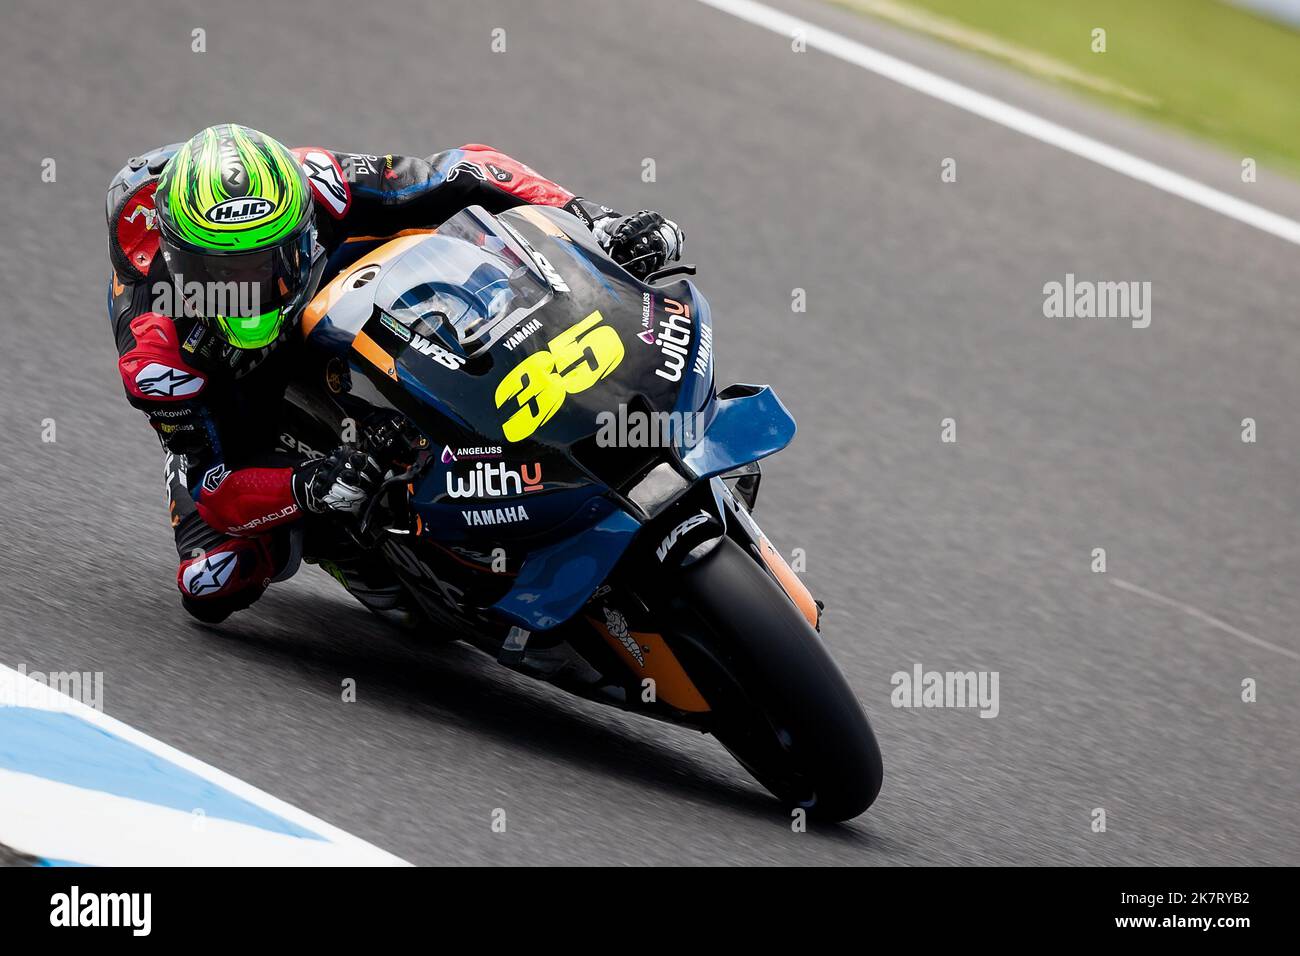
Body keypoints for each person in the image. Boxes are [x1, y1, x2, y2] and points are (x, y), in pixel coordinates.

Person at [107, 124, 684, 622]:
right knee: (213, 579)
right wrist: (307, 487)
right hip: (230, 393)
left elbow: (468, 169)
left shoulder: (319, 183)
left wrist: (593, 219)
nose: (253, 287)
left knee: (444, 238)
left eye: (267, 260)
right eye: (225, 271)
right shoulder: (155, 356)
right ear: (182, 264)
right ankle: (350, 536)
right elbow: (215, 487)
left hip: (334, 290)